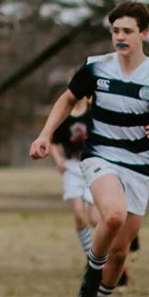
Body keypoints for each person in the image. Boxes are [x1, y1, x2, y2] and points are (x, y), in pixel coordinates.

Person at [30, 1, 149, 297]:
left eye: (127, 31)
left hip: (139, 166)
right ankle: (89, 275)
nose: (120, 37)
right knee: (111, 216)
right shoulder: (96, 68)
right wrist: (44, 135)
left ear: (143, 33)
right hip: (100, 155)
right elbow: (67, 100)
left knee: (120, 251)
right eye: (115, 31)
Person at [52, 100, 99, 258]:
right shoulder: (64, 116)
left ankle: (104, 252)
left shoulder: (94, 112)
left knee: (95, 218)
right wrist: (58, 159)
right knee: (79, 214)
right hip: (72, 167)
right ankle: (92, 257)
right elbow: (53, 142)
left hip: (92, 165)